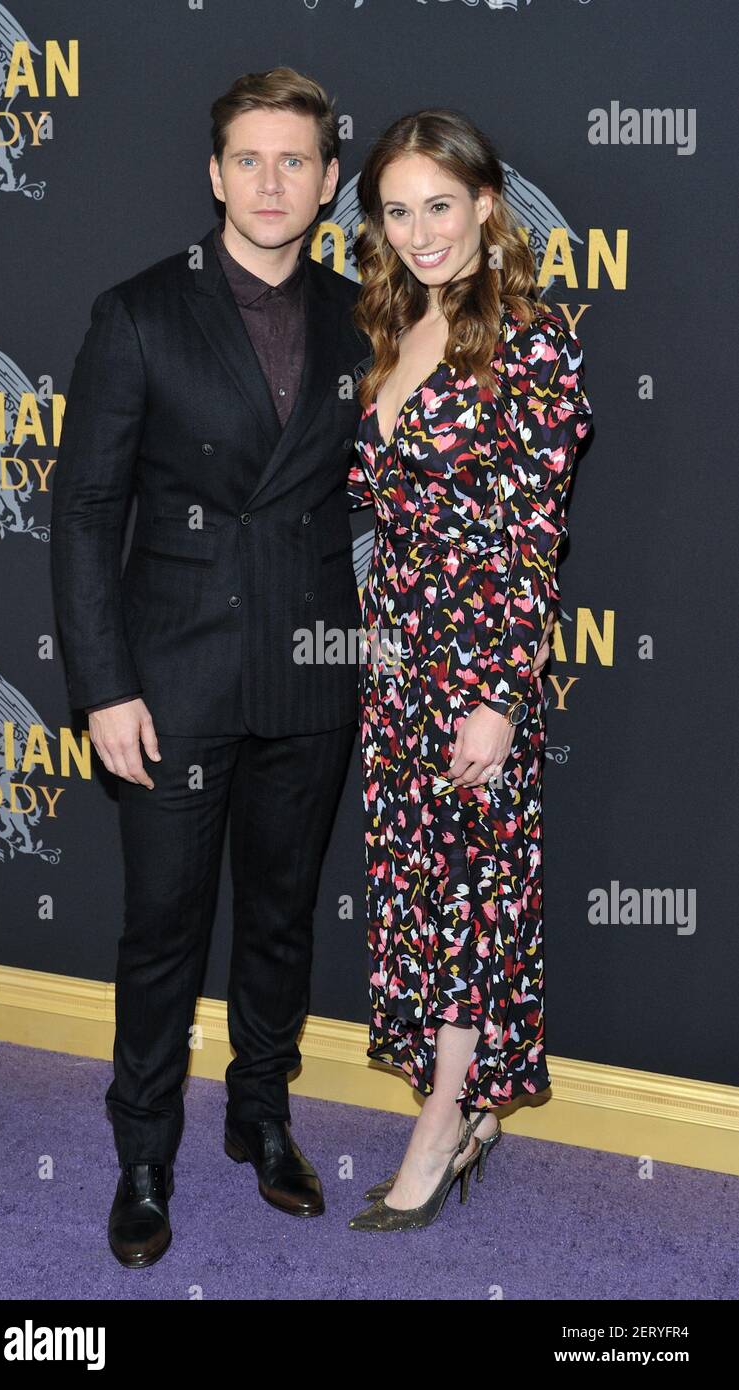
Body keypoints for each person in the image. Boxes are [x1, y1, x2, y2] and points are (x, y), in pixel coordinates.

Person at [50, 67, 372, 1267]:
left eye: (296, 160)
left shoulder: (364, 315)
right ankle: (144, 1153)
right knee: (163, 931)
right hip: (170, 677)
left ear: (329, 179)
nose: (272, 181)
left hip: (309, 670)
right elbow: (85, 512)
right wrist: (103, 684)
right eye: (250, 158)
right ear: (213, 173)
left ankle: (261, 1115)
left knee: (281, 920)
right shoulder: (138, 311)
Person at [344, 109, 593, 1231]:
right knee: (423, 895)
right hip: (396, 664)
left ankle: (439, 1130)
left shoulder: (531, 343)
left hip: (474, 670)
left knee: (461, 900)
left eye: (437, 205)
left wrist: (497, 694)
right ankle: (465, 1105)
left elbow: (532, 535)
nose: (418, 230)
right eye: (396, 211)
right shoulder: (395, 325)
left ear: (485, 204)